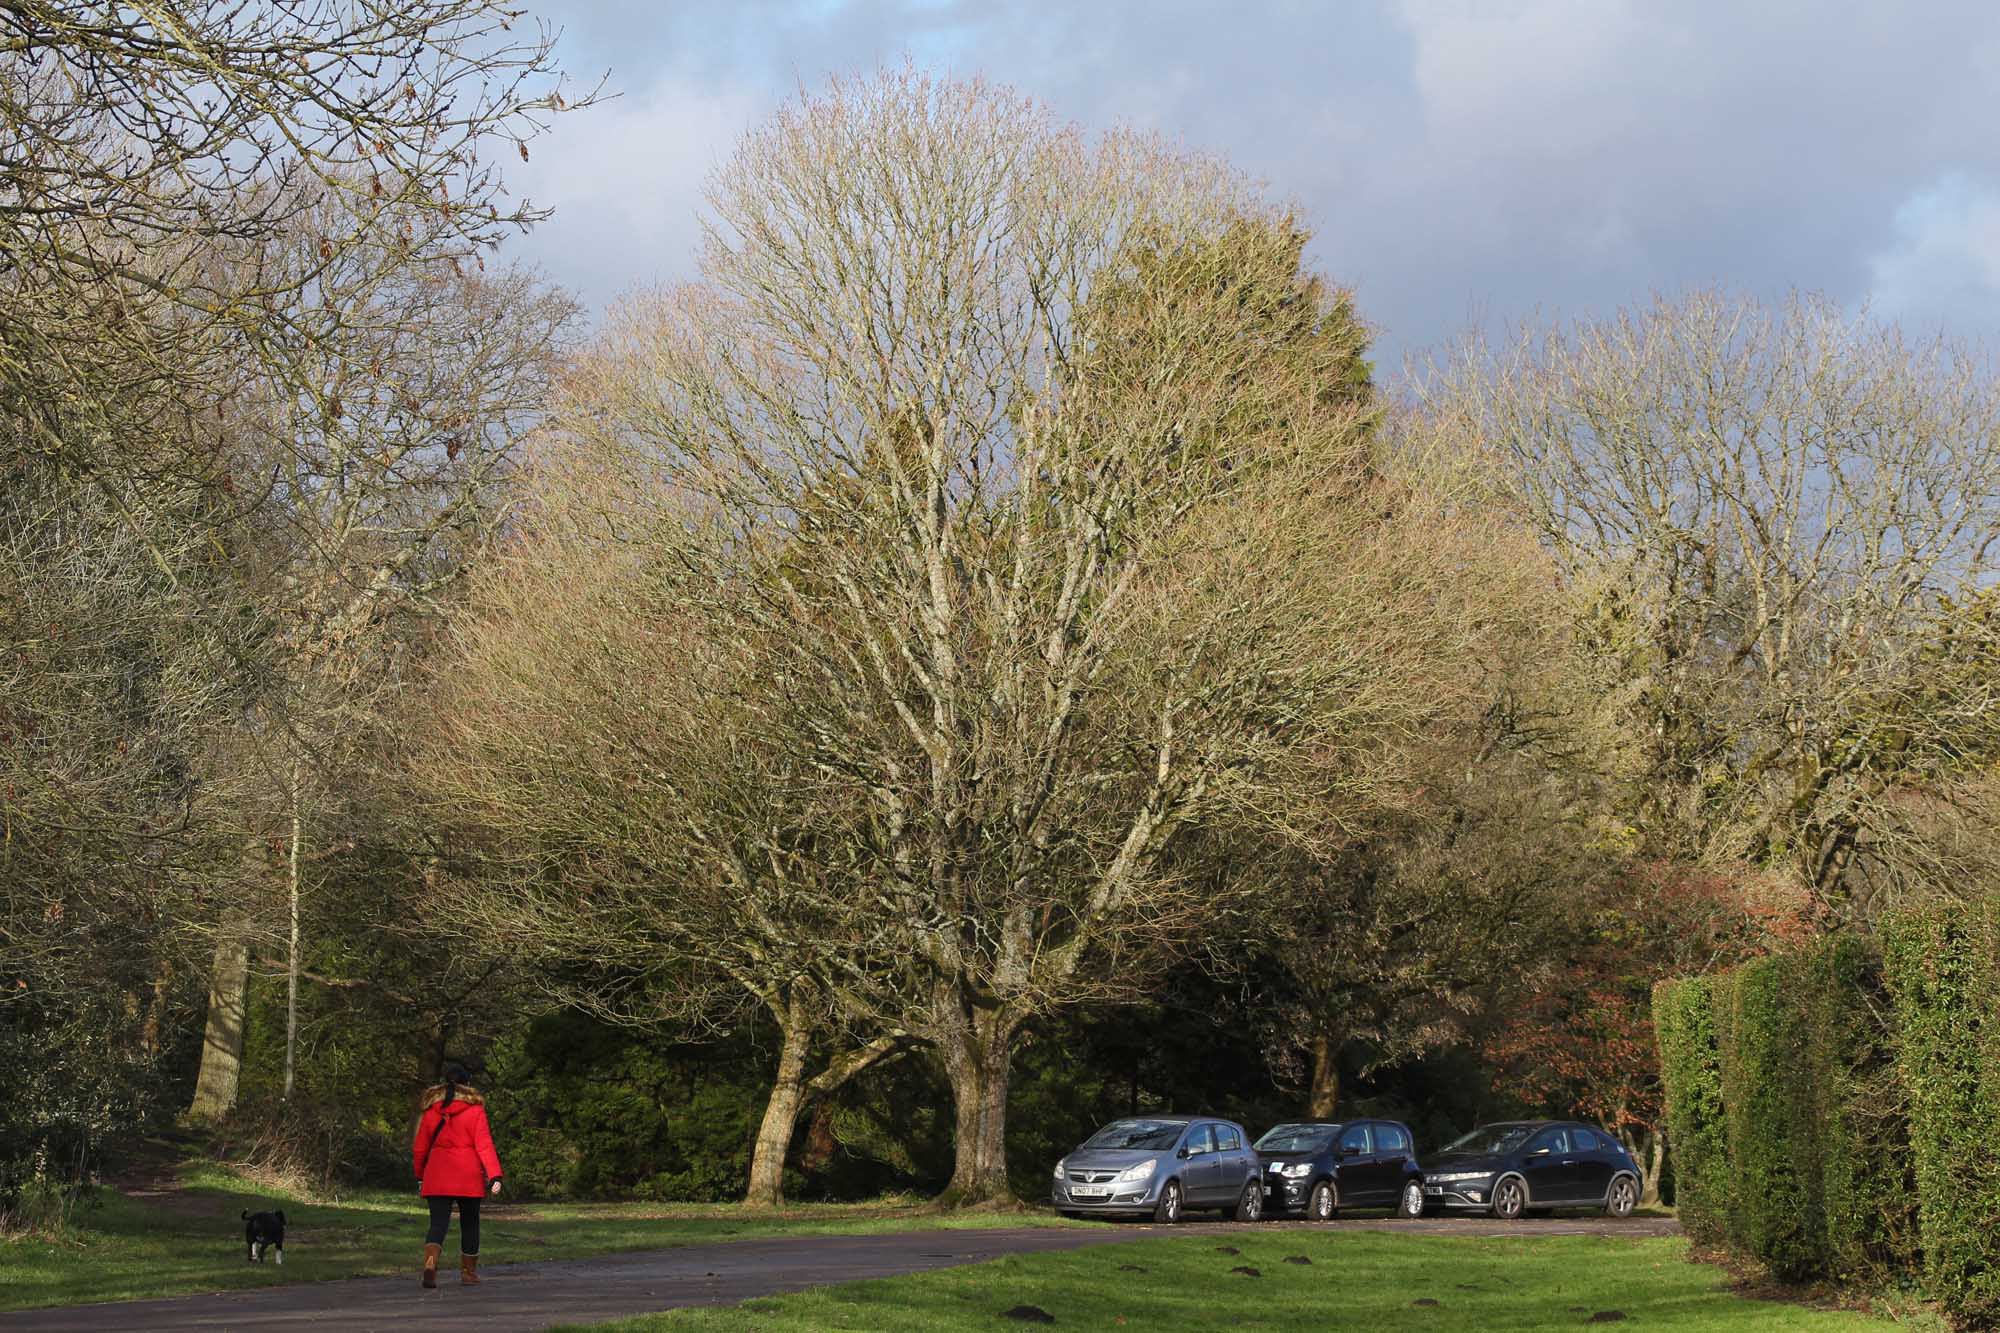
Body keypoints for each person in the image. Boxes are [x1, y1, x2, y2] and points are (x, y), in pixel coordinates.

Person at [412, 1063, 504, 1288]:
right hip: (467, 1175)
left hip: (437, 1173)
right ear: (467, 1084)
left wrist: (420, 1175)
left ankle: (430, 1265)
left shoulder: (431, 1110)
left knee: (438, 1224)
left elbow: (420, 1148)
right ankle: (468, 1273)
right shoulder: (475, 1110)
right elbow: (484, 1145)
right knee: (470, 1224)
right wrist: (495, 1175)